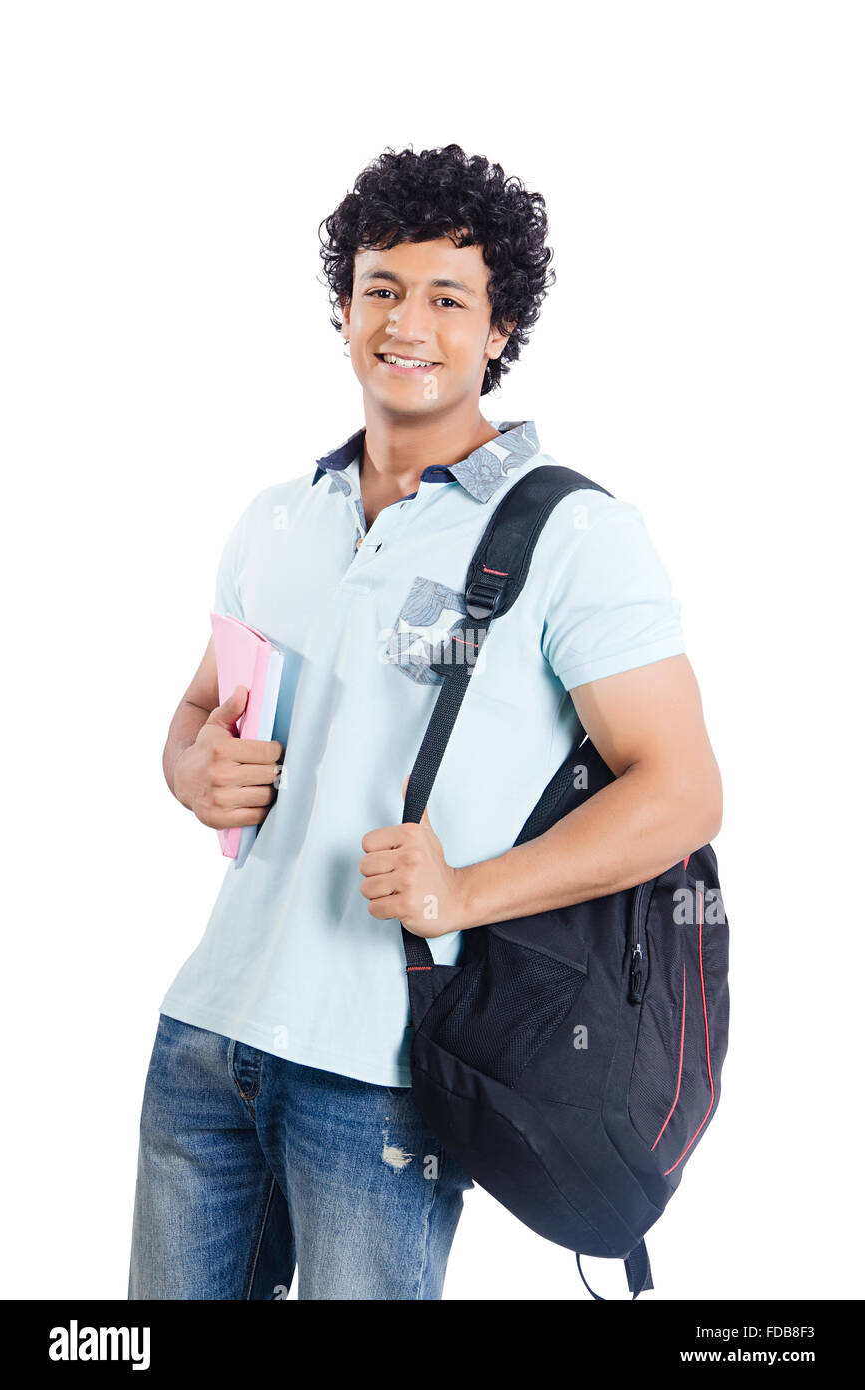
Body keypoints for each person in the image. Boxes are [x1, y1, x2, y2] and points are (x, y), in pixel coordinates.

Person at [128, 143, 722, 1301]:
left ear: (499, 330)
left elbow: (682, 791)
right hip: (205, 1035)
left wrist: (464, 892)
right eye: (381, 287)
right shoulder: (279, 514)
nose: (407, 322)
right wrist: (189, 766)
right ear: (345, 308)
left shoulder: (573, 535)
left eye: (449, 297)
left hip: (384, 1070)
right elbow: (201, 707)